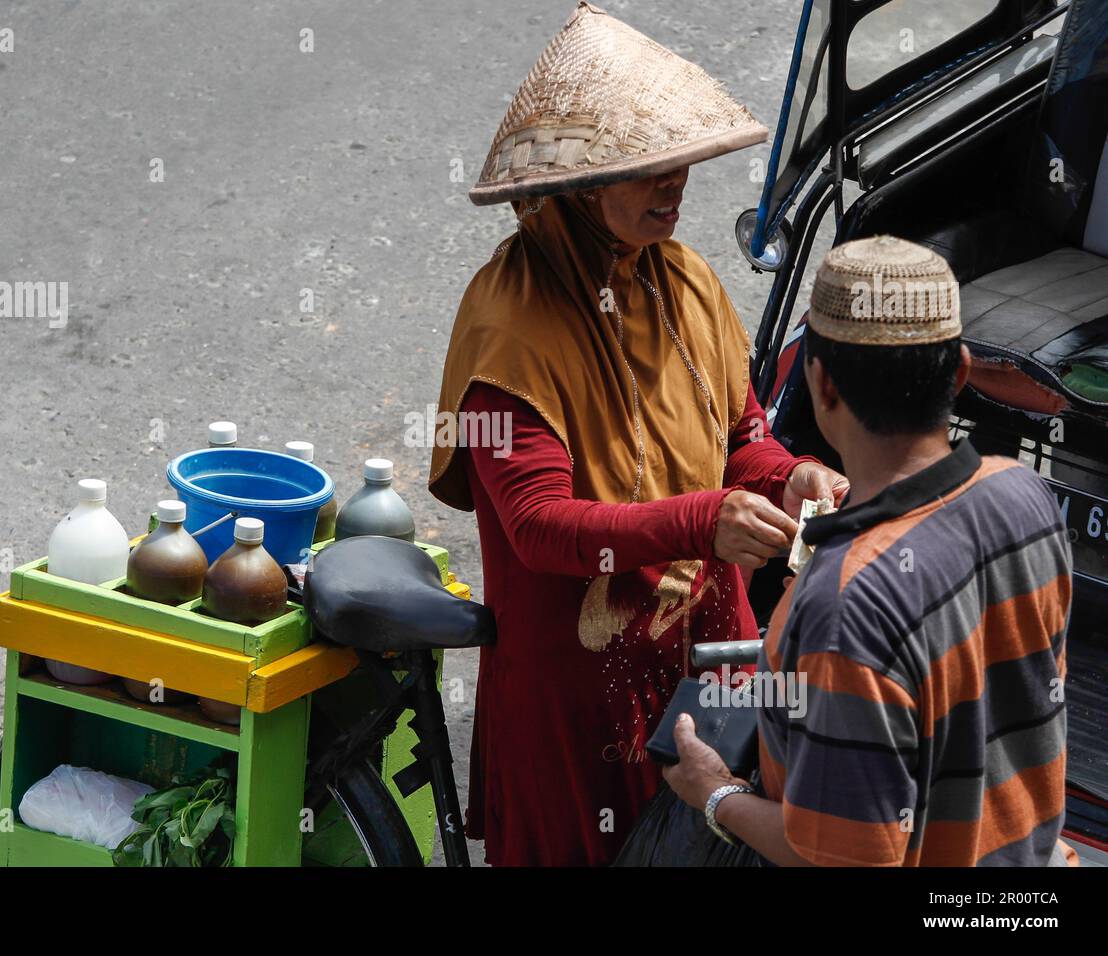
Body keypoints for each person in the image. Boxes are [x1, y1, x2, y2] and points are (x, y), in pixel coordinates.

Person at [428, 3, 846, 866]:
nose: (676, 185)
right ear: (581, 186)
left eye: (681, 163)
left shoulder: (685, 281)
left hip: (709, 655)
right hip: (580, 693)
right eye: (647, 169)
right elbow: (539, 528)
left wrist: (790, 476)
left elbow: (739, 439)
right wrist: (704, 521)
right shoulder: (508, 326)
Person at [663, 236, 1076, 866]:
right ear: (961, 372)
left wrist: (716, 792)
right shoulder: (1023, 496)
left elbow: (842, 859)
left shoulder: (846, 602)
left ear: (821, 384)